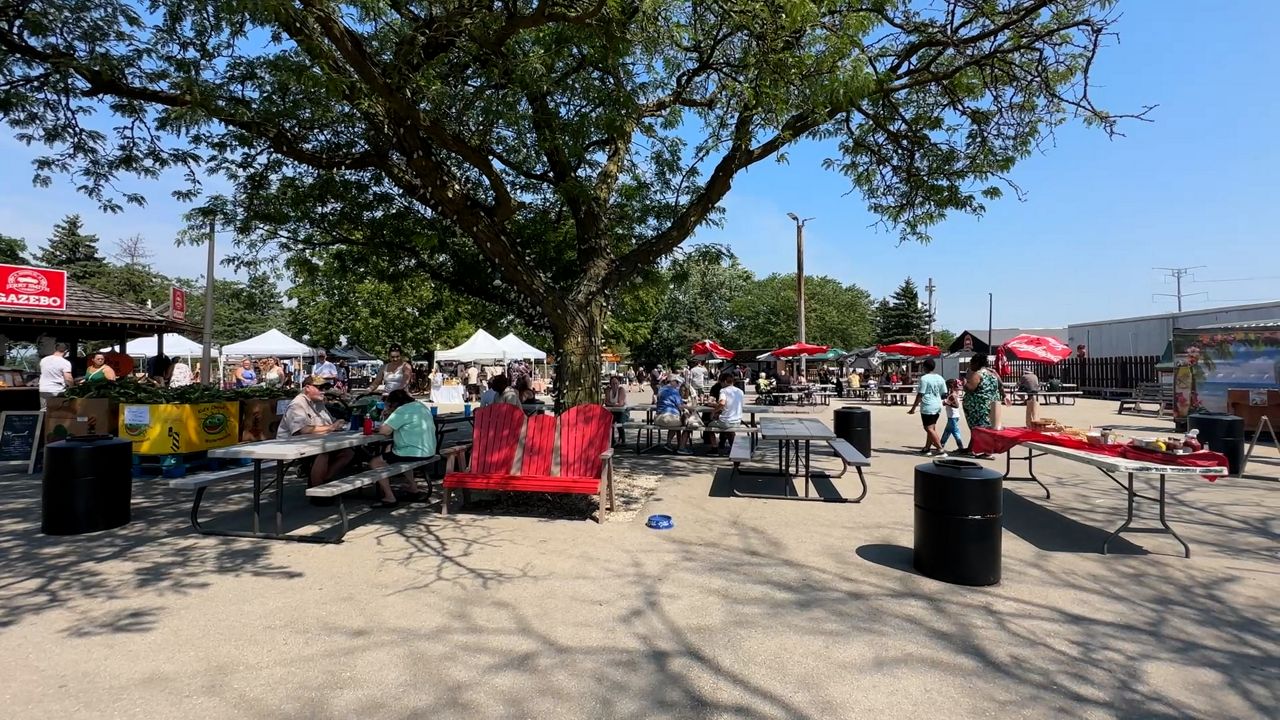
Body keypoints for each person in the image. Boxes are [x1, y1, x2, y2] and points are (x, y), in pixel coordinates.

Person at [277, 376, 355, 500]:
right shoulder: (297, 405)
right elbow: (303, 430)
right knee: (323, 453)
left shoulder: (319, 403)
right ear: (307, 387)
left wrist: (338, 424)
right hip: (293, 445)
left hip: (316, 442)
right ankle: (317, 492)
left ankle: (324, 481)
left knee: (348, 452)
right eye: (319, 388)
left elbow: (329, 423)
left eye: (324, 388)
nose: (323, 391)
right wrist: (331, 427)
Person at [367, 389, 435, 508]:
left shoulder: (402, 410)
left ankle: (389, 497)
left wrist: (388, 416)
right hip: (428, 450)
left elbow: (385, 431)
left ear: (394, 404)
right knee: (396, 454)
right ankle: (413, 487)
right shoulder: (421, 406)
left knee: (375, 462)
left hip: (411, 451)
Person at [963, 354, 1005, 459]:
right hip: (991, 405)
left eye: (971, 363)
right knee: (982, 427)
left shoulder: (978, 374)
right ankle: (971, 448)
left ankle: (987, 451)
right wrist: (1004, 396)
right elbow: (1000, 386)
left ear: (977, 363)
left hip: (978, 406)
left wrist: (964, 383)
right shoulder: (993, 373)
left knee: (979, 429)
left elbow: (970, 388)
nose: (970, 365)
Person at [907, 358, 947, 456]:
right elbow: (944, 393)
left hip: (928, 405)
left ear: (924, 367)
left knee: (928, 428)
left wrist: (913, 408)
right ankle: (927, 448)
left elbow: (920, 394)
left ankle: (940, 449)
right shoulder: (940, 378)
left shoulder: (924, 378)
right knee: (932, 427)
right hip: (937, 405)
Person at [707, 371, 745, 454]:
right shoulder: (740, 391)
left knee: (709, 427)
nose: (720, 384)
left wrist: (714, 411)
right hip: (737, 421)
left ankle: (714, 448)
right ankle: (733, 447)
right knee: (729, 430)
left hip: (726, 421)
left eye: (720, 382)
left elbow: (722, 403)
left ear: (724, 381)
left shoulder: (723, 391)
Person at [654, 375, 692, 454]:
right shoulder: (674, 392)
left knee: (675, 423)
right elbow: (680, 406)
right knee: (689, 425)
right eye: (678, 383)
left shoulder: (661, 390)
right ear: (674, 382)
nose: (679, 386)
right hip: (669, 417)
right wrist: (691, 407)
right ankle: (681, 447)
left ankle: (668, 443)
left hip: (658, 418)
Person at [38, 343, 75, 408]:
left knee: (45, 410)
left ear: (55, 349)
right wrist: (72, 387)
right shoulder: (65, 362)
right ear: (66, 351)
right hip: (57, 391)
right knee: (58, 411)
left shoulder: (43, 360)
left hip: (44, 390)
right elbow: (68, 378)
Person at [940, 378, 966, 453]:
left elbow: (956, 405)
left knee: (955, 432)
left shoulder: (953, 395)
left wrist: (947, 403)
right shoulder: (954, 394)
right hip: (952, 416)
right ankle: (941, 443)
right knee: (947, 431)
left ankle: (960, 447)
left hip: (953, 416)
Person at [605, 374, 628, 444]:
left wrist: (611, 404)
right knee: (609, 421)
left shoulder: (621, 390)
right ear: (610, 384)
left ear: (618, 383)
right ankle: (611, 440)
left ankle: (622, 439)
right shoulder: (608, 390)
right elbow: (606, 402)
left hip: (623, 412)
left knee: (619, 421)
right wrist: (615, 404)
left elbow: (621, 404)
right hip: (612, 411)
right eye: (613, 383)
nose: (614, 385)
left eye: (616, 383)